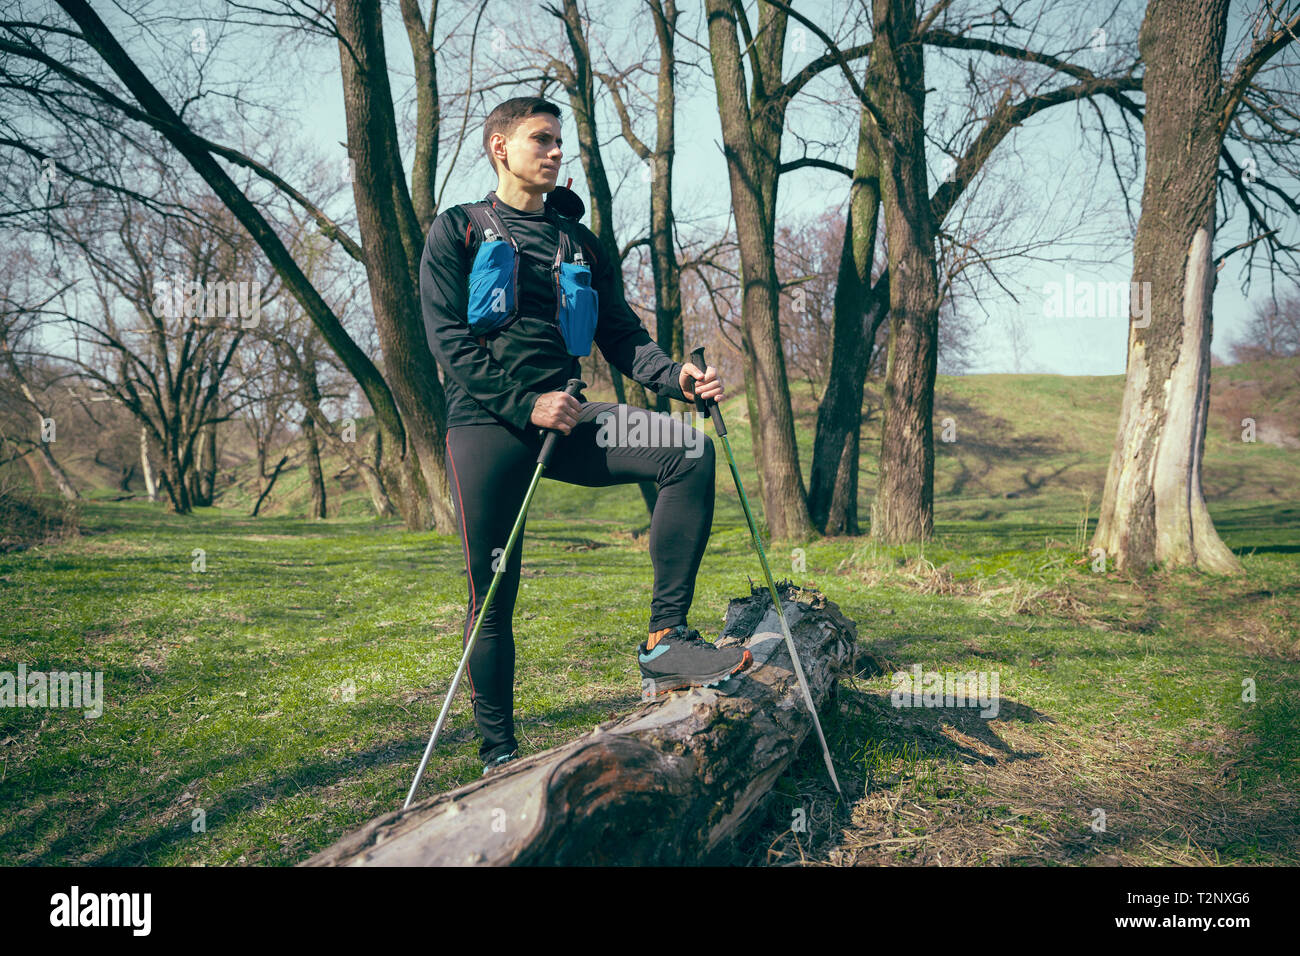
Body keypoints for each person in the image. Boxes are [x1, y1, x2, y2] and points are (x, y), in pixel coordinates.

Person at [419, 96, 752, 776]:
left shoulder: (580, 244)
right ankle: (499, 753)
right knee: (493, 593)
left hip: (570, 420)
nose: (554, 152)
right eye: (540, 139)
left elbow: (622, 338)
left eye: (559, 142)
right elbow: (446, 339)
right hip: (486, 425)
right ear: (499, 148)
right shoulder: (457, 229)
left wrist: (678, 377)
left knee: (686, 450)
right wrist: (523, 402)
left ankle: (665, 640)